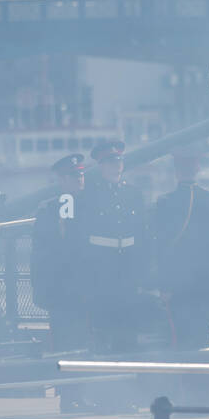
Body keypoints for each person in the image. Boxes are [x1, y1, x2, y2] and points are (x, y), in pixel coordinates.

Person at [152, 151, 209, 349]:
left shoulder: (164, 203)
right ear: (198, 169)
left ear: (175, 172)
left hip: (178, 284)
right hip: (207, 283)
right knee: (206, 335)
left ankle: (182, 379)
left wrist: (163, 286)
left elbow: (158, 249)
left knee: (180, 338)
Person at [31, 154, 91, 412]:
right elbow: (41, 254)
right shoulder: (48, 211)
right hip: (63, 293)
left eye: (81, 174)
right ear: (62, 180)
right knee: (66, 346)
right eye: (74, 176)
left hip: (88, 290)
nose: (79, 179)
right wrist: (43, 291)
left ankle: (85, 394)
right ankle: (69, 397)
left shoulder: (91, 206)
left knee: (88, 344)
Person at [82, 140, 148, 354]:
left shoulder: (134, 194)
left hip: (128, 270)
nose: (116, 166)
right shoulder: (88, 195)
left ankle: (131, 373)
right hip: (101, 270)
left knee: (129, 326)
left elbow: (142, 235)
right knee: (103, 327)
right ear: (101, 166)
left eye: (118, 161)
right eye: (110, 162)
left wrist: (141, 272)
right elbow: (82, 239)